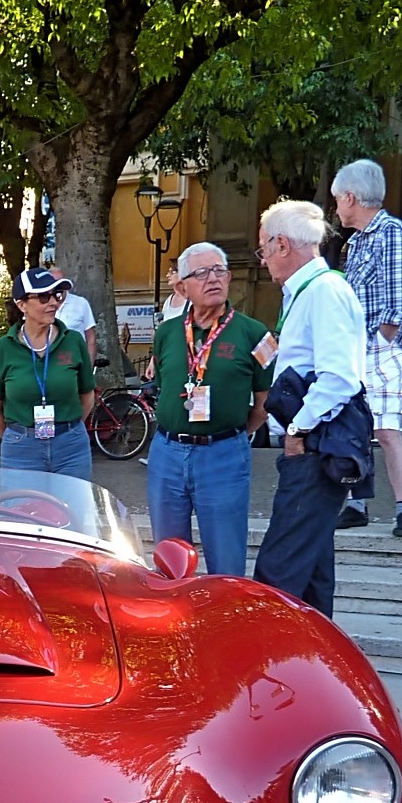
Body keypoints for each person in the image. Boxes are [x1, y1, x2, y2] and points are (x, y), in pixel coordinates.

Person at [253, 200, 367, 617]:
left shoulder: (324, 291)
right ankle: (315, 664)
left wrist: (297, 431)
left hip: (315, 444)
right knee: (314, 568)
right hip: (314, 443)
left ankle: (264, 662)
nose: (263, 260)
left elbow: (340, 376)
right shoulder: (310, 292)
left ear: (282, 244)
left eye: (263, 249)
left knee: (278, 570)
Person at [145, 243, 273, 576]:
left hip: (223, 455)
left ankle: (226, 625)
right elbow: (165, 382)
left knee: (226, 558)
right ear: (181, 287)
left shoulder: (255, 334)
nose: (212, 279)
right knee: (169, 557)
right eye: (201, 273)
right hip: (167, 453)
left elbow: (265, 401)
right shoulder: (166, 334)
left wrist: (235, 435)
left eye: (219, 271)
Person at [332, 158, 402, 537]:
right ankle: (356, 503)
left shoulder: (392, 235)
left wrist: (381, 341)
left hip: (377, 349)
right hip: (355, 348)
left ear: (351, 198)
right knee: (354, 429)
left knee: (386, 429)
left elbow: (400, 303)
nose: (335, 207)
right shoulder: (357, 241)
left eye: (338, 199)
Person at [0, 266, 96, 480]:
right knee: (22, 512)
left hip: (70, 448)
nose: (53, 302)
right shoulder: (2, 349)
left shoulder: (73, 341)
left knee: (73, 512)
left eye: (57, 294)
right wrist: (21, 437)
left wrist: (67, 430)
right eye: (43, 296)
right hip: (21, 450)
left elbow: (87, 398)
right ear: (21, 304)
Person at [50, 266, 98, 360]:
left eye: (61, 282)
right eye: (54, 283)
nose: (58, 286)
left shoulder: (81, 303)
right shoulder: (43, 305)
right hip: (51, 362)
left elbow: (91, 338)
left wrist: (89, 367)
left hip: (76, 359)